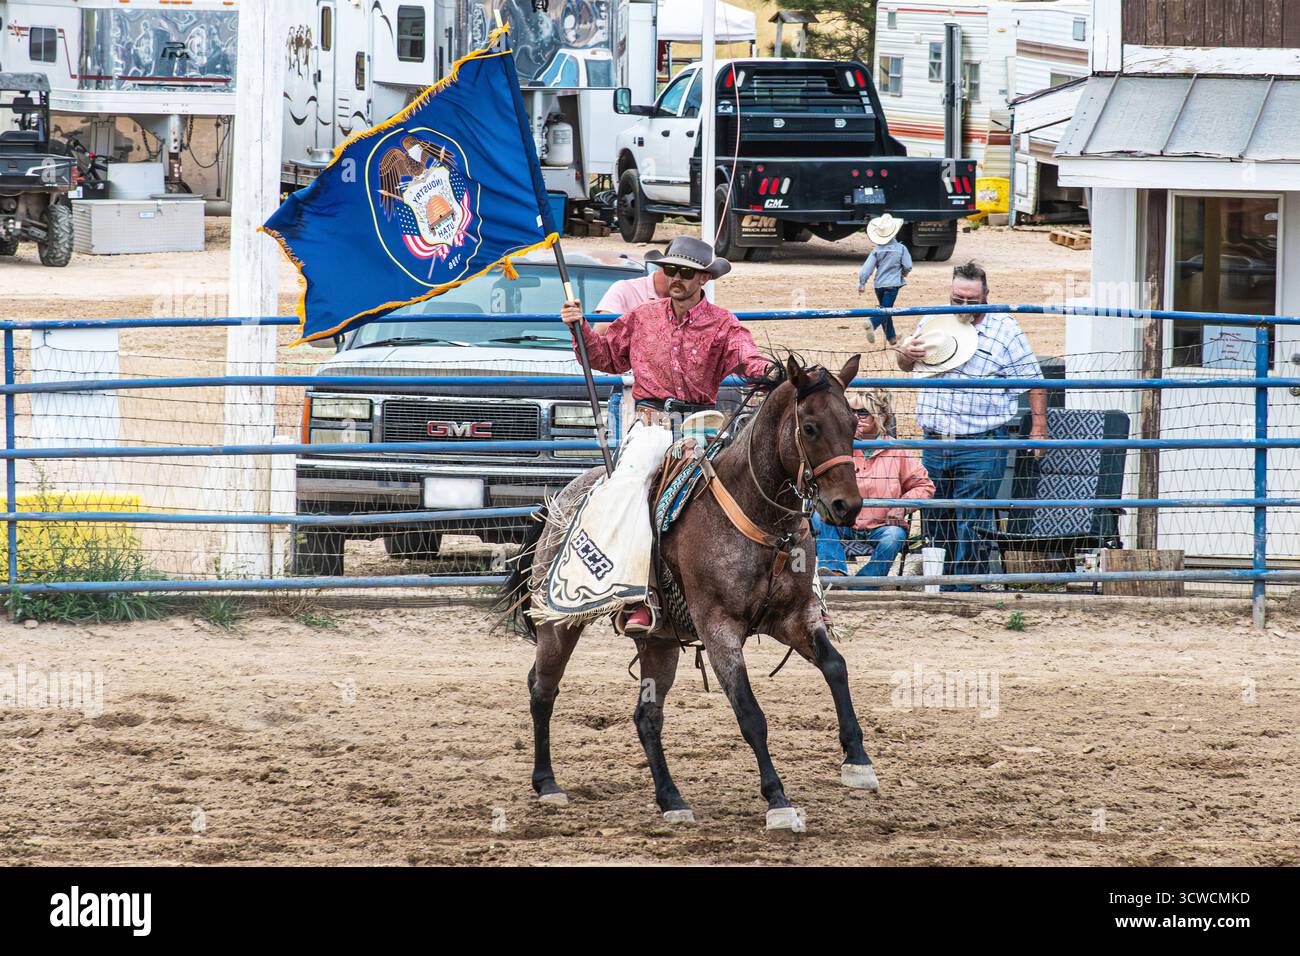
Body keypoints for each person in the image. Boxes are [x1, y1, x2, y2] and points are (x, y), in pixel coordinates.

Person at [557, 236, 772, 631]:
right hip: (651, 424)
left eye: (685, 272)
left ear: (703, 278)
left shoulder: (723, 324)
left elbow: (747, 356)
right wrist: (580, 328)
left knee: (761, 482)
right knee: (629, 485)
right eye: (669, 269)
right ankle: (639, 593)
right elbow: (606, 356)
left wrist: (766, 371)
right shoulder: (642, 317)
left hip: (702, 427)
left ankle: (789, 589)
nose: (674, 277)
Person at [896, 261, 1047, 588]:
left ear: (987, 296)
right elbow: (905, 363)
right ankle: (937, 583)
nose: (964, 307)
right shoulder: (933, 321)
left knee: (971, 517)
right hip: (935, 441)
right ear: (949, 295)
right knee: (935, 516)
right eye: (957, 300)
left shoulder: (1005, 330)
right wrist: (905, 352)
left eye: (972, 301)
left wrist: (1038, 429)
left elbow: (1034, 381)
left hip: (981, 441)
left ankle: (964, 587)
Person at [810, 389, 934, 583]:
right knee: (820, 517)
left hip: (883, 525)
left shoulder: (897, 450)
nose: (855, 417)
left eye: (862, 413)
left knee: (893, 536)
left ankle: (864, 583)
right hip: (846, 523)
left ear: (879, 416)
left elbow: (924, 486)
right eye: (850, 412)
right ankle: (835, 574)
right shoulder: (840, 448)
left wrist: (902, 506)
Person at [858, 213, 913, 346]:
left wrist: (862, 283)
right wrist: (904, 274)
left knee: (885, 309)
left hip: (879, 285)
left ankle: (892, 337)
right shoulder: (901, 249)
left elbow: (867, 269)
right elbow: (908, 266)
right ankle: (872, 322)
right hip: (892, 285)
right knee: (886, 311)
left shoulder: (877, 250)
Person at [594, 262, 668, 314]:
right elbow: (601, 330)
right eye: (673, 269)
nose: (678, 277)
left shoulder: (677, 302)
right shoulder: (624, 288)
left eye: (680, 272)